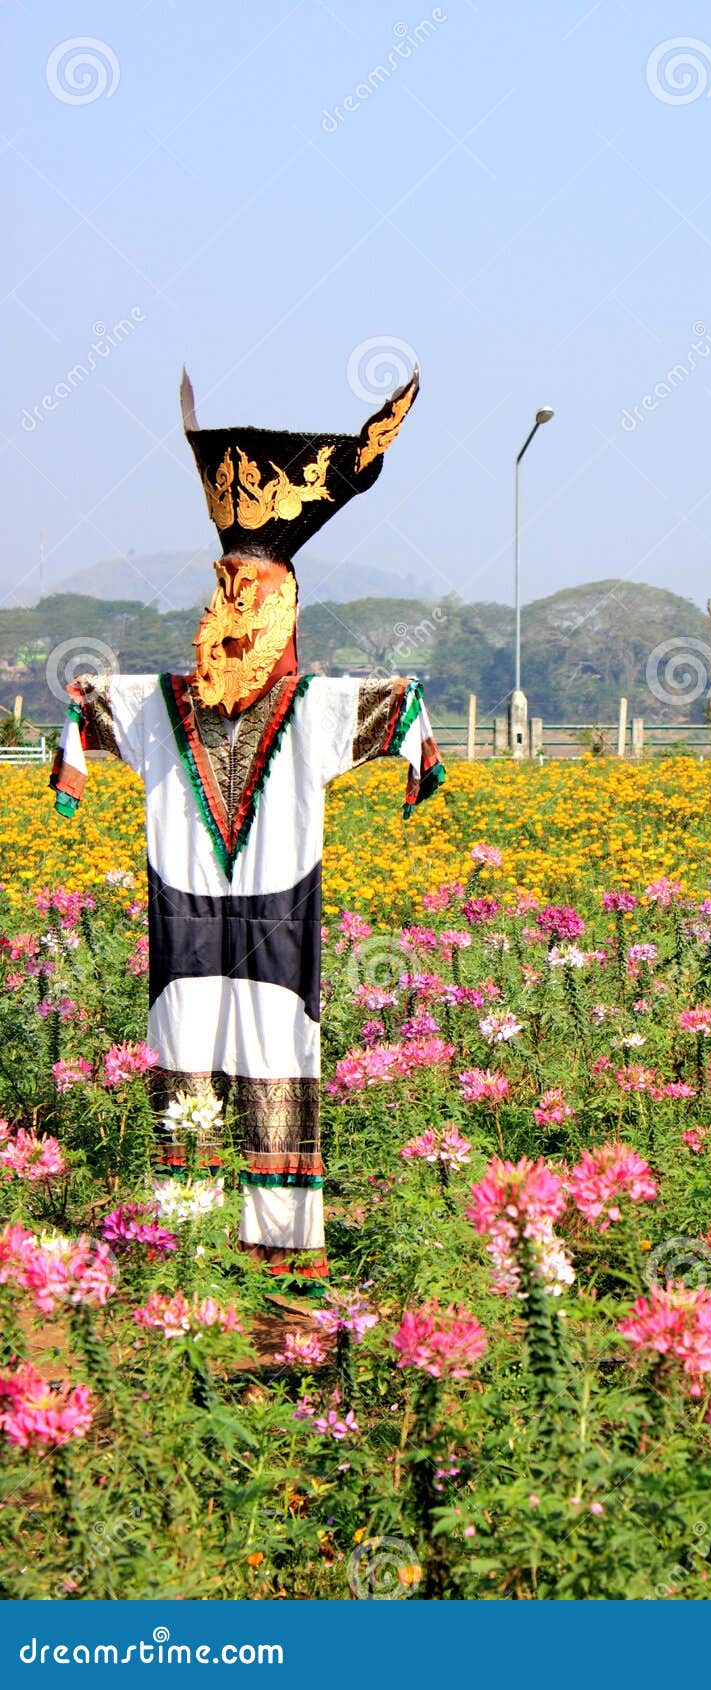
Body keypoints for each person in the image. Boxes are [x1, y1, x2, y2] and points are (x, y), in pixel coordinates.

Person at [51, 365, 443, 1283]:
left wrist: (414, 740)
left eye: (250, 595)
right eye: (221, 591)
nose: (229, 615)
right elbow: (88, 706)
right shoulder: (158, 706)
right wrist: (78, 724)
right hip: (181, 913)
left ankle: (278, 1245)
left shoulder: (312, 707)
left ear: (285, 609)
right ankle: (181, 1241)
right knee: (182, 1047)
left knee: (277, 1053)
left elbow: (402, 708)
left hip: (279, 919)